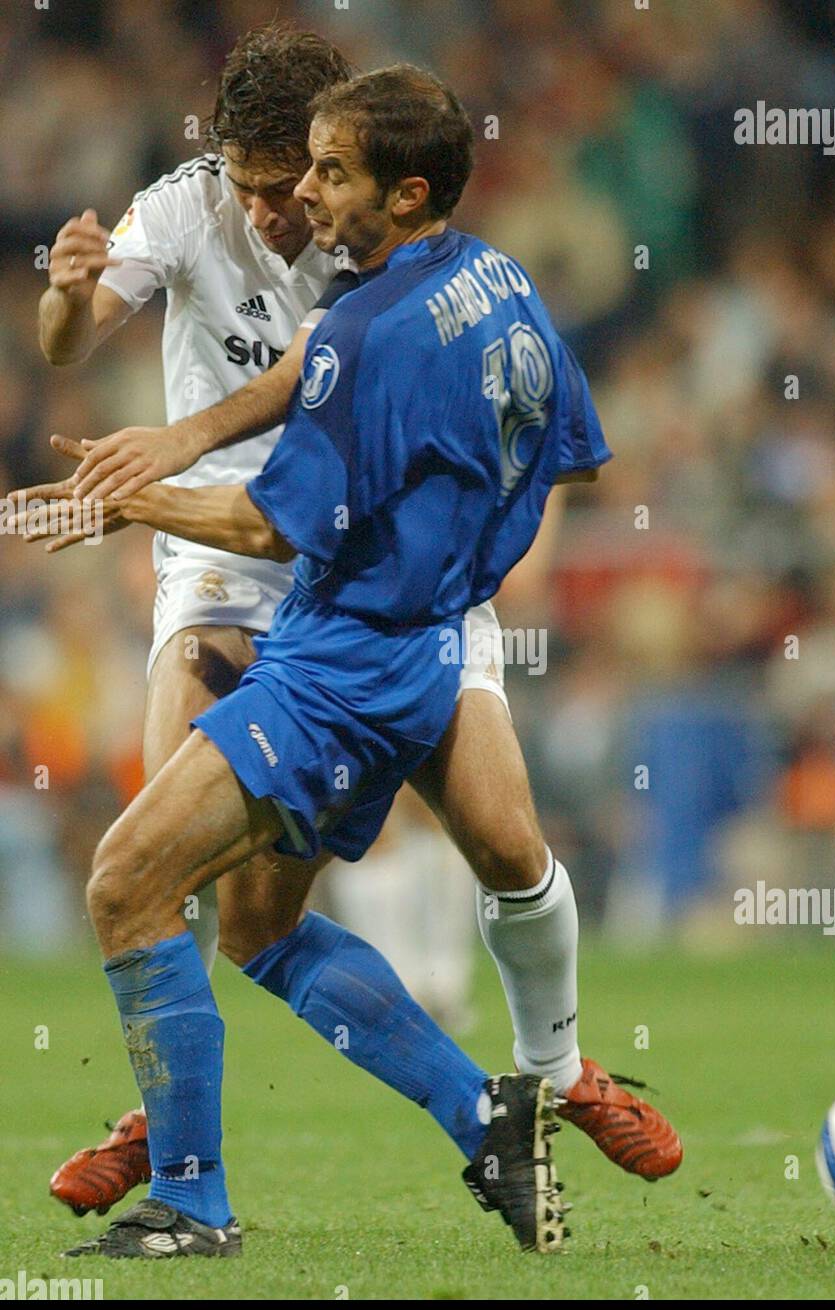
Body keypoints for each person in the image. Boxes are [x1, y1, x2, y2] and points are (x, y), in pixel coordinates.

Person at [33, 25, 682, 1228]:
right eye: (265, 186)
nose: (289, 210)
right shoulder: (450, 265)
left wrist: (130, 490)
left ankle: (528, 1080)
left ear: (374, 177)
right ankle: (204, 1111)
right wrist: (81, 319)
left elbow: (316, 426)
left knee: (474, 846)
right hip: (288, 587)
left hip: (340, 593)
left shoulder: (365, 291)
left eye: (308, 183)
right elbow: (539, 442)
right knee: (213, 902)